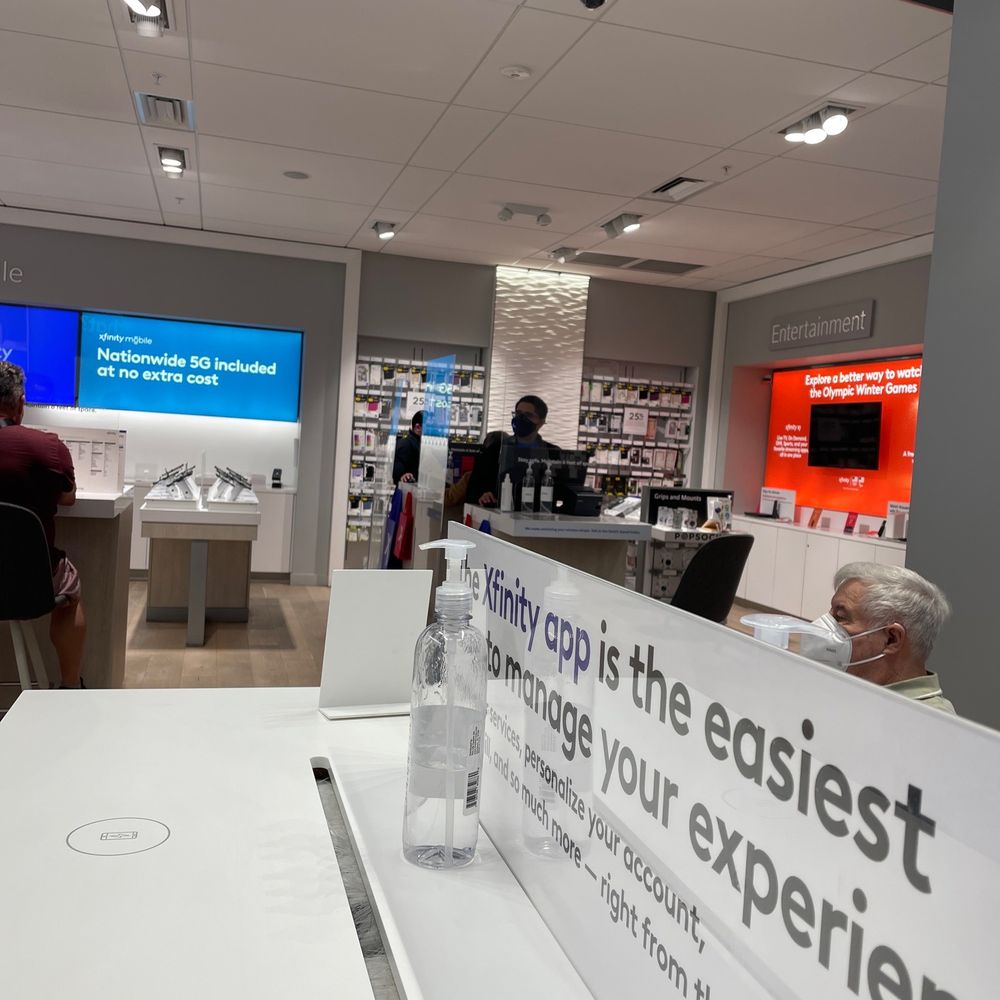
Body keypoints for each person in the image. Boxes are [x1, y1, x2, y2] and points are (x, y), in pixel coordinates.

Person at [0, 361, 86, 688]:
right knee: (70, 592)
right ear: (20, 403)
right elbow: (68, 498)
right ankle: (69, 686)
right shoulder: (47, 446)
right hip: (28, 577)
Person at [811, 562, 954, 713]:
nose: (823, 625)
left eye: (840, 617)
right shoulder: (861, 692)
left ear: (891, 639)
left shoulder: (927, 720)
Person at [467, 396, 560, 506]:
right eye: (518, 413)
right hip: (499, 512)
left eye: (528, 415)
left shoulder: (552, 453)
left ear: (541, 422)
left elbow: (560, 494)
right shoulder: (496, 449)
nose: (521, 418)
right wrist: (483, 496)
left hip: (538, 513)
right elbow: (473, 490)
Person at [392, 410, 422, 485]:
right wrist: (403, 476)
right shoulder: (406, 444)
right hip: (408, 490)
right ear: (418, 427)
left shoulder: (418, 443)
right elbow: (398, 472)